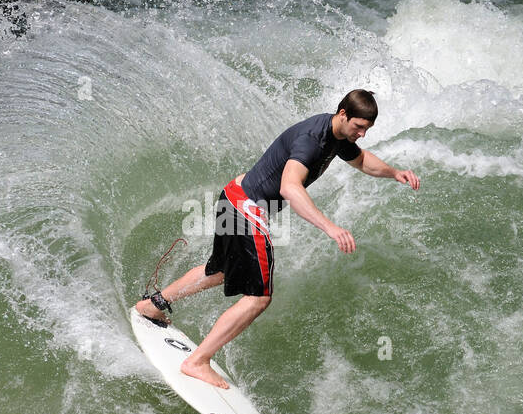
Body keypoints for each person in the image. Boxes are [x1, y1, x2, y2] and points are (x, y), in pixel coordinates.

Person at [135, 90, 421, 389]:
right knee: (259, 297)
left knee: (218, 271)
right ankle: (197, 361)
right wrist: (330, 227)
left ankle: (153, 306)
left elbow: (362, 160)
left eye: (366, 130)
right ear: (343, 114)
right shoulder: (311, 140)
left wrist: (394, 173)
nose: (361, 135)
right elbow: (289, 187)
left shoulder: (339, 136)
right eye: (358, 127)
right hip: (247, 210)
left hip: (233, 196)